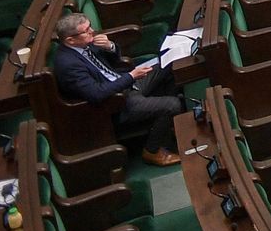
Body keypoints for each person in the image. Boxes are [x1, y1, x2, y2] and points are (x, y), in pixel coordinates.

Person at [50, 13, 187, 165]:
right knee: (173, 105)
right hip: (116, 104)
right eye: (86, 30)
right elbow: (96, 94)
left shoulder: (84, 43)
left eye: (90, 26)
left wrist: (111, 47)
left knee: (168, 64)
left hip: (125, 83)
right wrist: (131, 77)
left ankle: (166, 125)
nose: (93, 31)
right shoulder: (68, 65)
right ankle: (152, 150)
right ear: (70, 40)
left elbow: (113, 63)